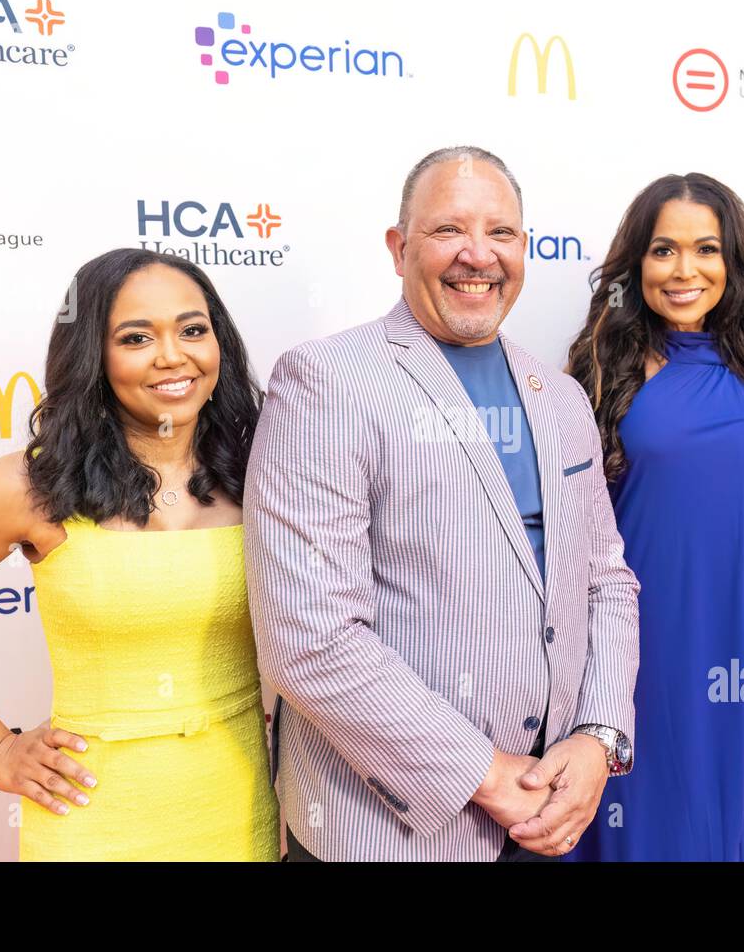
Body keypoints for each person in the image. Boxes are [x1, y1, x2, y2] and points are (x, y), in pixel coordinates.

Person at [244, 146, 640, 862]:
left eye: (502, 233)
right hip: (390, 833)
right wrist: (485, 773)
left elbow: (606, 579)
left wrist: (597, 737)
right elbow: (310, 638)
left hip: (548, 818)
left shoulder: (563, 398)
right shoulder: (327, 383)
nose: (477, 255)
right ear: (399, 249)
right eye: (449, 230)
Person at [0, 248, 280, 861]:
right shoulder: (28, 488)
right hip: (93, 820)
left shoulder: (267, 474)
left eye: (193, 329)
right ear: (92, 355)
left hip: (239, 814)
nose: (173, 356)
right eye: (137, 337)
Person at [564, 173, 744, 861]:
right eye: (662, 250)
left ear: (732, 261)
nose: (685, 270)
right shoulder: (604, 369)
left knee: (730, 826)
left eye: (706, 249)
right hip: (637, 653)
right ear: (636, 265)